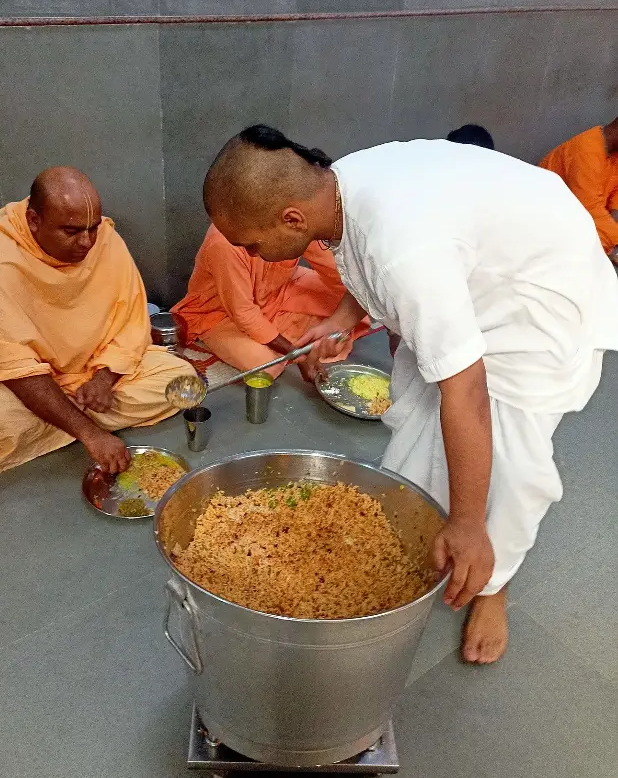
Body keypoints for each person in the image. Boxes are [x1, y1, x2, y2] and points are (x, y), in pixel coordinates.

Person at [201, 124, 618, 665]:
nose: (247, 253)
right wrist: (338, 320)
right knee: (419, 413)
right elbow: (363, 262)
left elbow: (465, 391)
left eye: (250, 244)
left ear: (292, 218)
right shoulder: (336, 189)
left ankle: (494, 587)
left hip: (536, 309)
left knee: (514, 466)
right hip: (476, 274)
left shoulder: (404, 250)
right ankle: (419, 531)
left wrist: (470, 524)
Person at [0, 167, 196, 476]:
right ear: (33, 221)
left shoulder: (102, 237)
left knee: (178, 379)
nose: (87, 242)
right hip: (26, 379)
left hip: (94, 365)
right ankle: (74, 418)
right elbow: (11, 361)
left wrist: (103, 378)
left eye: (93, 228)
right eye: (71, 232)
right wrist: (91, 434)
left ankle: (52, 423)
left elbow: (131, 321)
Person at [172, 223, 370, 377]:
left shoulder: (296, 223)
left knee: (353, 301)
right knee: (265, 366)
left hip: (280, 292)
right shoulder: (225, 240)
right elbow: (244, 313)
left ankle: (290, 337)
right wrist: (298, 356)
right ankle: (292, 340)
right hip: (221, 314)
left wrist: (377, 302)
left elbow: (342, 276)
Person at [539, 119, 618, 263]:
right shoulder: (586, 151)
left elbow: (615, 200)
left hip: (578, 229)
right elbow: (590, 211)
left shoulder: (614, 155)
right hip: (546, 229)